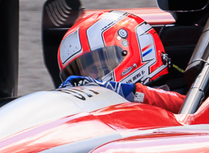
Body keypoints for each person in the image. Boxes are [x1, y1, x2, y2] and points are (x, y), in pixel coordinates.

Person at [57, 9, 188, 113]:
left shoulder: (187, 104)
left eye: (103, 66)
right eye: (89, 72)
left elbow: (199, 111)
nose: (91, 80)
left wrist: (130, 92)